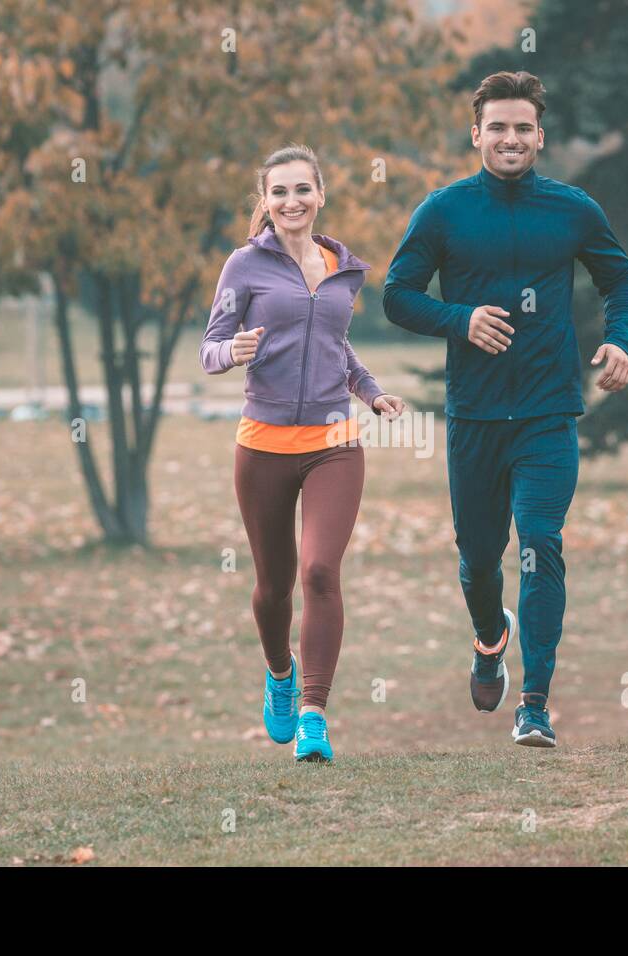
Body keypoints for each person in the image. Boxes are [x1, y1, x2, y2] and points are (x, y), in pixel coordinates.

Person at [382, 71, 628, 748]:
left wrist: (620, 340)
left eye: (523, 127)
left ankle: (534, 703)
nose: (511, 138)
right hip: (473, 418)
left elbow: (621, 278)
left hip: (548, 413)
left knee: (540, 542)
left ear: (540, 136)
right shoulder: (443, 211)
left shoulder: (572, 209)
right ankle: (490, 637)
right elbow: (397, 295)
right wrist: (460, 319)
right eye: (497, 126)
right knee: (477, 561)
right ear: (476, 134)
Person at [201, 143, 405, 763]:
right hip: (262, 445)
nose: (292, 202)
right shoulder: (244, 266)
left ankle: (314, 713)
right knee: (273, 586)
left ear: (321, 196)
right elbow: (209, 347)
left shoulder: (343, 270)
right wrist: (231, 352)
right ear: (265, 203)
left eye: (302, 190)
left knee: (321, 571)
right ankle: (279, 675)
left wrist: (371, 393)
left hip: (333, 445)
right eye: (279, 192)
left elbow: (337, 347)